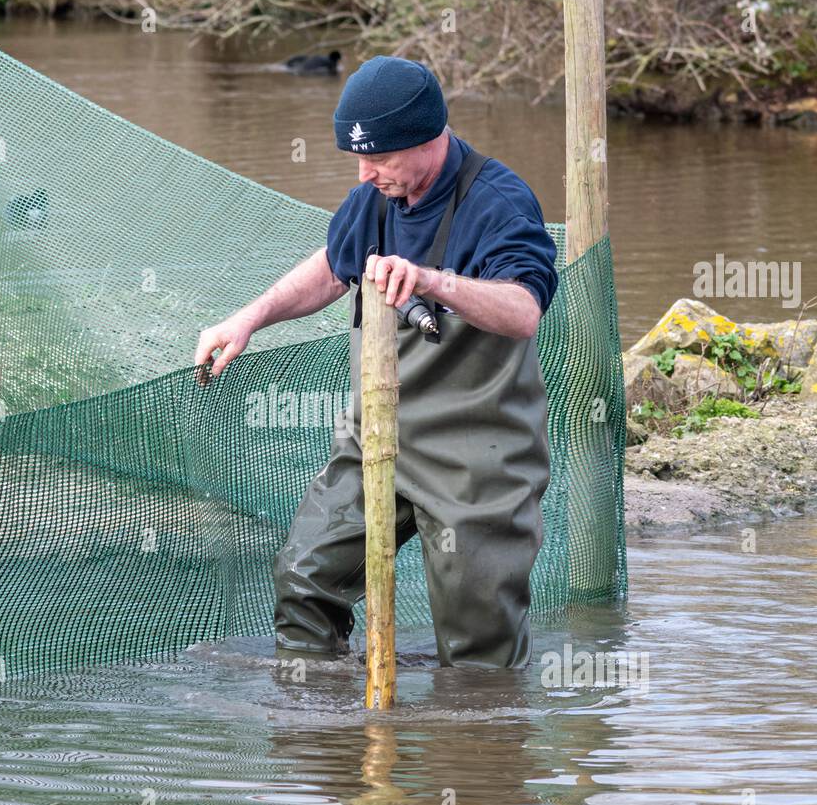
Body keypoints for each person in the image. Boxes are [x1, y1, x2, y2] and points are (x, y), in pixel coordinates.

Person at [193, 55, 559, 668]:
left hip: (478, 455)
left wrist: (431, 281)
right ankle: (325, 735)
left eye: (380, 158)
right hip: (376, 440)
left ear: (429, 137)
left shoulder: (498, 202)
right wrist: (247, 319)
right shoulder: (376, 197)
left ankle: (478, 757)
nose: (365, 174)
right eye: (357, 159)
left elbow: (523, 310)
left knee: (478, 645)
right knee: (303, 580)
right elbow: (333, 267)